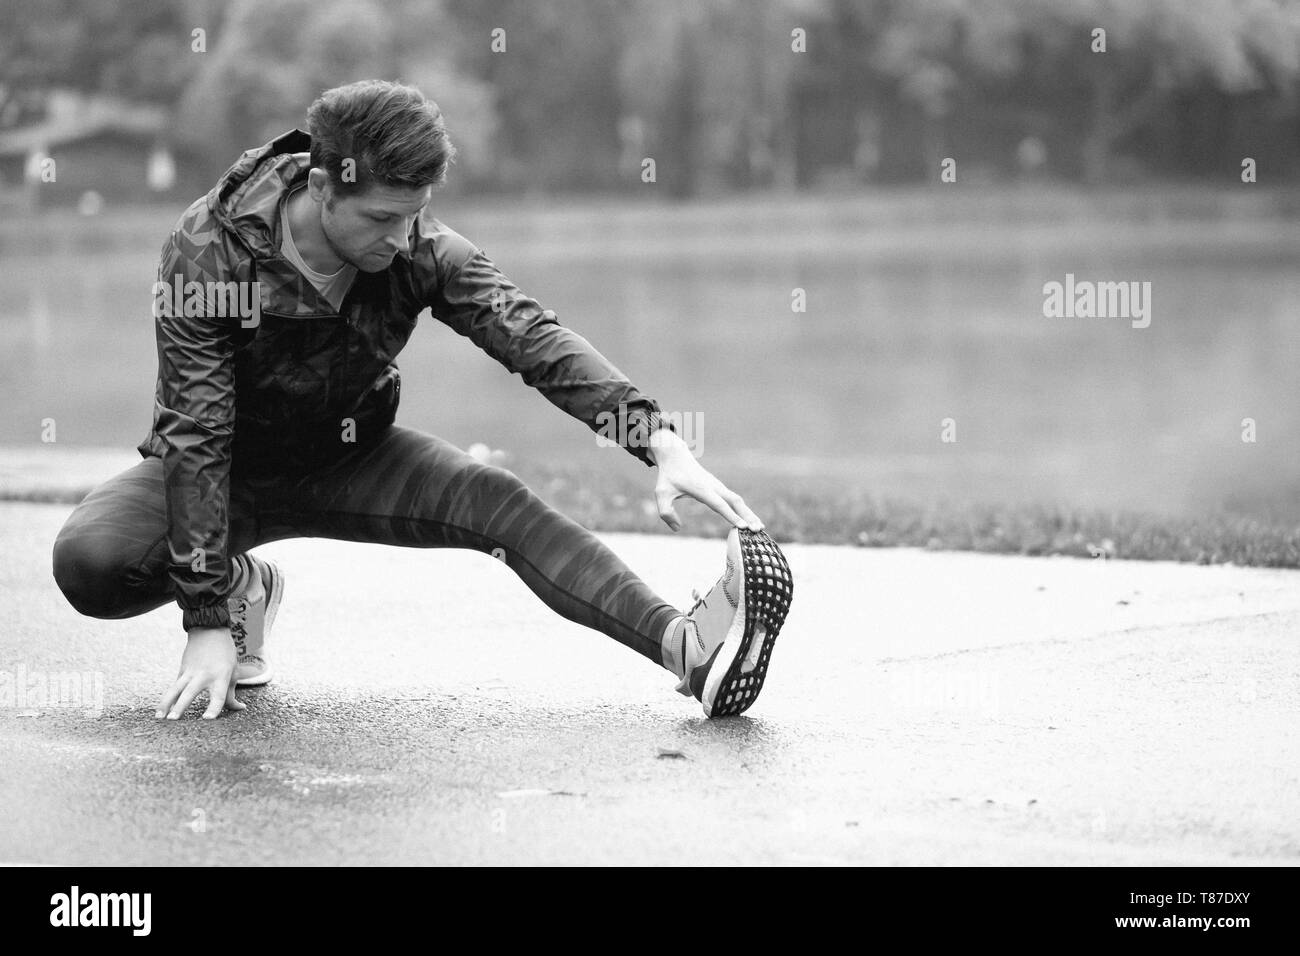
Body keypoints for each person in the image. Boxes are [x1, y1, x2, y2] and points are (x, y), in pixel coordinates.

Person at [51, 79, 792, 722]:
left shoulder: (417, 246)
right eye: (380, 218)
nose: (402, 238)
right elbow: (198, 433)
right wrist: (207, 617)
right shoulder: (209, 252)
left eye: (415, 213)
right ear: (321, 186)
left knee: (501, 503)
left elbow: (529, 335)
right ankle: (246, 588)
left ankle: (689, 651)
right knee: (89, 563)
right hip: (228, 469)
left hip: (354, 456)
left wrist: (656, 437)